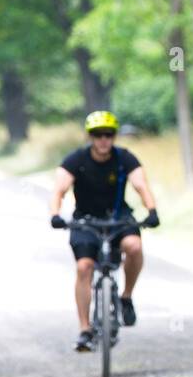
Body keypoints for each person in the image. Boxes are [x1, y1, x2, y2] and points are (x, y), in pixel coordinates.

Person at [50, 111, 160, 351]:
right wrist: (56, 215)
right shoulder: (76, 159)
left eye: (108, 135)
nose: (103, 140)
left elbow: (141, 185)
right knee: (84, 267)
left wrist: (151, 211)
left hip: (118, 217)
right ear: (90, 136)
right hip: (86, 220)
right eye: (98, 135)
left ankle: (126, 297)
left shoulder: (124, 158)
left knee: (134, 246)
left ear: (114, 137)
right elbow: (59, 189)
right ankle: (84, 329)